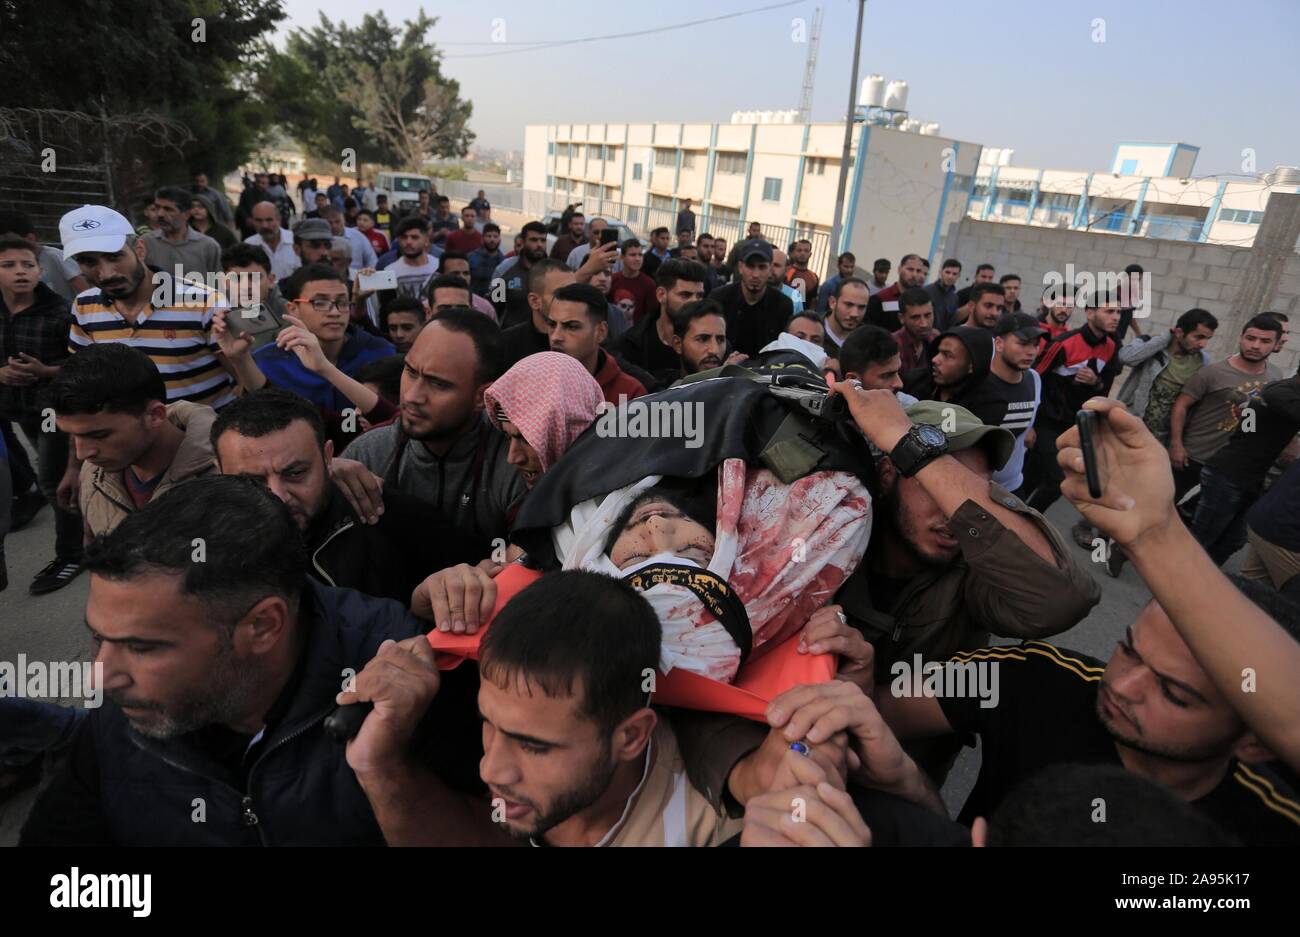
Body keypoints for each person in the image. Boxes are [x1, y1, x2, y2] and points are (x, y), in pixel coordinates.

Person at [19, 475, 490, 846]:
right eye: (99, 638)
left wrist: (383, 771)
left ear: (263, 626)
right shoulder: (128, 701)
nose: (101, 676)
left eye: (144, 647)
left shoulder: (413, 681)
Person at [213, 388, 488, 596]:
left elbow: (482, 576)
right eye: (252, 481)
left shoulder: (391, 520)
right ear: (219, 473)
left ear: (328, 457)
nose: (278, 495)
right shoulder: (196, 538)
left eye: (295, 473)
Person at [340, 309, 525, 545]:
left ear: (483, 397)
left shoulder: (514, 458)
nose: (413, 396)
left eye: (438, 384)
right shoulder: (369, 454)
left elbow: (528, 561)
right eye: (410, 371)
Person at [61, 205, 236, 410]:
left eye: (114, 257)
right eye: (89, 262)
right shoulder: (84, 306)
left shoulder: (204, 301)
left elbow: (243, 377)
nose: (106, 274)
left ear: (140, 250)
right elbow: (86, 379)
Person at [49, 343, 217, 542]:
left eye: (99, 435)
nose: (82, 453)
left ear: (154, 415)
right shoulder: (93, 474)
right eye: (72, 435)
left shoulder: (229, 476)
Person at [0, 236, 79, 594]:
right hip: (16, 409)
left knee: (52, 479)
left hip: (54, 409)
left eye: (27, 265)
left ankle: (72, 553)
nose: (20, 272)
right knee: (49, 475)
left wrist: (46, 371)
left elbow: (81, 363)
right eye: (9, 266)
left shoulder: (60, 312)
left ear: (41, 270)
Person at [221, 264, 394, 417]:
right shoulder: (268, 361)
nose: (334, 312)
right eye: (320, 302)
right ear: (293, 309)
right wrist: (241, 360)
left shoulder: (380, 353)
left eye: (342, 302)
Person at [1020, 288, 1122, 516]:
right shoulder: (1064, 343)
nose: (1116, 317)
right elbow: (1033, 379)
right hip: (1047, 422)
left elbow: (1104, 388)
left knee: (1032, 476)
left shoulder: (1112, 346)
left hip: (1075, 426)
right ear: (1090, 312)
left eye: (1119, 312)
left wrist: (1095, 382)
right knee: (1058, 481)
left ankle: (1011, 514)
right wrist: (1030, 425)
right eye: (1110, 311)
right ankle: (1028, 520)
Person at [1168, 314, 1283, 509]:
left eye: (1265, 341)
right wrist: (1176, 444)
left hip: (1229, 464)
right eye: (1250, 338)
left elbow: (1254, 420)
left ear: (1276, 344)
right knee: (1163, 503)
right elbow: (1181, 405)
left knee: (1199, 515)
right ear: (1241, 337)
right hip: (1193, 456)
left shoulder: (1274, 376)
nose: (1255, 346)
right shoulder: (1213, 372)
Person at [1189, 370, 1300, 565]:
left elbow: (1249, 420)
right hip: (1229, 474)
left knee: (1232, 540)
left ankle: (1202, 580)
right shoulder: (1282, 391)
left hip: (1249, 477)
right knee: (1202, 537)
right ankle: (1177, 581)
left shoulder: (1276, 392)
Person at [1116, 308, 1218, 506]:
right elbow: (1126, 358)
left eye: (1207, 339)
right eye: (1199, 337)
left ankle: (1114, 532)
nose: (1203, 344)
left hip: (1161, 438)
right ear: (1179, 332)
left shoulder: (1202, 362)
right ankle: (1089, 525)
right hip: (1132, 427)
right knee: (1116, 479)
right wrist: (1163, 337)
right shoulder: (1154, 351)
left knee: (1138, 487)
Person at [483, 351, 604, 491]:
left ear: (569, 426)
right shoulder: (517, 491)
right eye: (507, 437)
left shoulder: (608, 500)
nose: (513, 457)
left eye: (527, 439)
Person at [959, 312, 1045, 493]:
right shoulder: (974, 382)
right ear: (999, 344)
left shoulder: (1034, 379)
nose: (1031, 352)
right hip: (969, 487)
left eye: (1035, 345)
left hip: (1012, 487)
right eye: (1022, 344)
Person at [546, 283, 646, 405]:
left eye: (571, 327)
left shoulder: (629, 394)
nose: (556, 337)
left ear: (601, 332)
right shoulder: (531, 385)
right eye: (551, 325)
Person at [614, 259, 708, 388]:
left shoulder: (714, 343)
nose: (694, 302)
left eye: (699, 296)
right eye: (685, 295)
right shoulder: (632, 343)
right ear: (661, 294)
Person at [710, 239, 792, 358]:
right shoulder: (718, 299)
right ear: (740, 267)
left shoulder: (783, 305)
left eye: (762, 267)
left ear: (770, 269)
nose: (755, 274)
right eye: (750, 266)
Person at [219, 242, 288, 351]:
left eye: (254, 278)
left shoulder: (290, 314)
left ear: (271, 280)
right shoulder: (217, 316)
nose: (246, 286)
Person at [141, 186, 222, 279]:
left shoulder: (208, 246)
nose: (160, 214)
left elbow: (219, 286)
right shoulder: (146, 243)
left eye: (168, 209)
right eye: (157, 208)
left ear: (186, 214)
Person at [901, 326, 991, 407]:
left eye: (947, 355)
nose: (935, 359)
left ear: (971, 365)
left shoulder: (987, 402)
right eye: (938, 352)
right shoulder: (914, 381)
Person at [495, 221, 549, 330]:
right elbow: (494, 307)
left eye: (543, 240)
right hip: (512, 339)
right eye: (534, 240)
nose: (539, 244)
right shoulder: (504, 270)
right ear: (523, 242)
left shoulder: (553, 270)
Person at [865, 254, 927, 332]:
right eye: (910, 269)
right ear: (899, 269)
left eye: (918, 271)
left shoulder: (921, 302)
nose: (914, 274)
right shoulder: (879, 299)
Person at [670, 299, 729, 378]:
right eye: (702, 339)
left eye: (720, 340)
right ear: (678, 344)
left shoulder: (740, 388)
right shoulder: (660, 388)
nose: (715, 350)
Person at [433, 254, 498, 323]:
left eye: (466, 273)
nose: (462, 277)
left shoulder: (485, 308)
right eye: (455, 273)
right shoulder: (426, 306)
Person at [244, 201, 300, 280]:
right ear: (252, 221)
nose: (264, 226)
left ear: (279, 219)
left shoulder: (296, 241)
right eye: (259, 221)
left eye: (269, 220)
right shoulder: (248, 245)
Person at [608, 239, 658, 324]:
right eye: (633, 255)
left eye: (640, 255)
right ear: (622, 257)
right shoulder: (612, 280)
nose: (637, 259)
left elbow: (651, 315)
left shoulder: (649, 284)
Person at [821, 276, 870, 360]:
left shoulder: (869, 341)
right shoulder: (810, 330)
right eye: (848, 305)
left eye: (861, 307)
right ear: (832, 302)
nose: (854, 314)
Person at [321, 205, 377, 276]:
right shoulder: (318, 241)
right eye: (330, 223)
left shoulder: (358, 236)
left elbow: (372, 261)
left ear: (344, 219)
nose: (334, 226)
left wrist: (368, 274)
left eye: (338, 221)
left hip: (357, 281)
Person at [892, 287, 935, 373]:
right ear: (901, 318)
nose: (924, 324)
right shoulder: (892, 345)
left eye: (927, 315)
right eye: (915, 317)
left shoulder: (934, 342)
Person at [468, 223, 503, 299]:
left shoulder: (504, 262)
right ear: (482, 238)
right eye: (489, 236)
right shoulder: (471, 257)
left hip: (495, 304)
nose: (492, 239)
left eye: (495, 236)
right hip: (473, 301)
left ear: (499, 239)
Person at [925, 258, 961, 330]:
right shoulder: (926, 291)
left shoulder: (954, 298)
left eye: (954, 274)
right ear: (941, 272)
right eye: (947, 272)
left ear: (958, 276)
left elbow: (951, 321)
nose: (950, 276)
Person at [768, 249, 805, 315]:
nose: (771, 269)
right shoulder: (753, 291)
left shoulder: (795, 296)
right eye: (768, 264)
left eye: (776, 265)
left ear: (786, 270)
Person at [784, 238, 819, 306]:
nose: (802, 253)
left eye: (806, 251)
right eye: (799, 250)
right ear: (794, 253)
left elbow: (813, 302)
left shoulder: (814, 277)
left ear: (810, 254)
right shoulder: (785, 272)